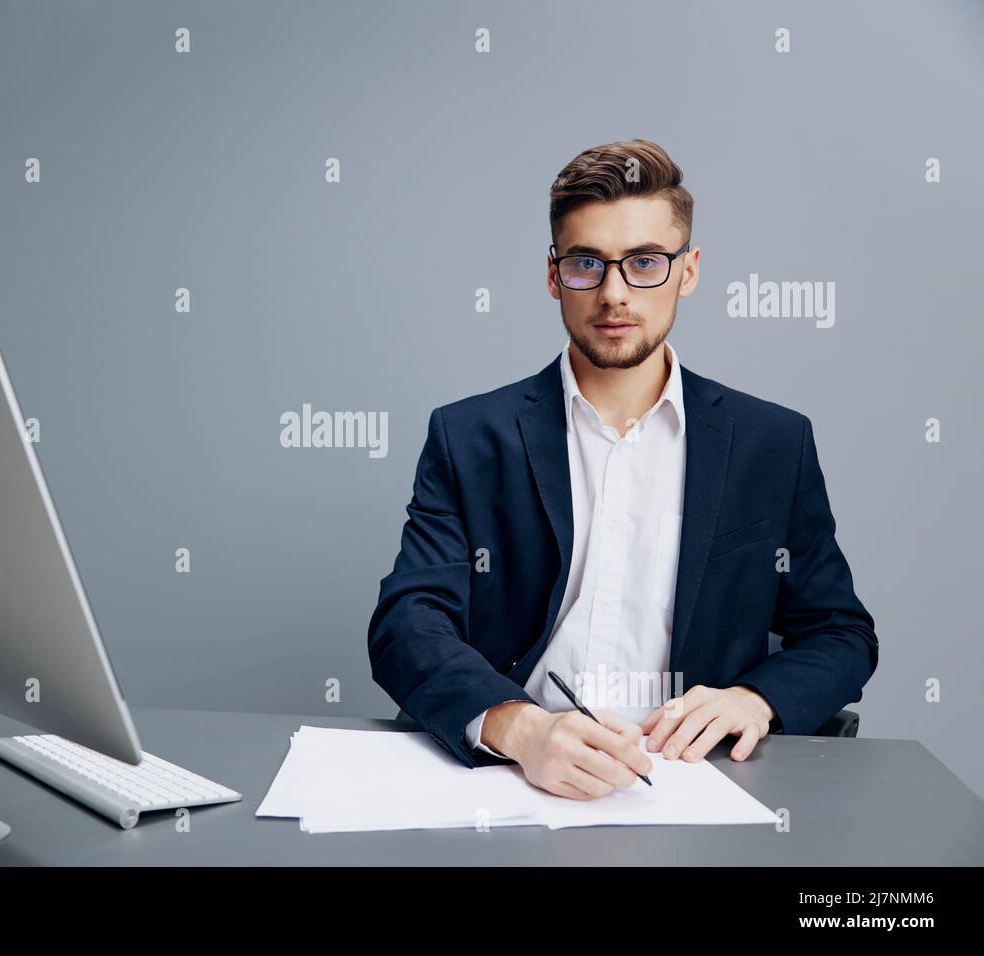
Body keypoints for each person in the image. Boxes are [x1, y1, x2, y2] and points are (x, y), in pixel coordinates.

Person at [367, 139, 878, 801]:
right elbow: (408, 622)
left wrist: (757, 699)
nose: (613, 293)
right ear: (553, 275)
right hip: (512, 780)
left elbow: (840, 633)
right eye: (586, 264)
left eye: (644, 263)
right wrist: (519, 729)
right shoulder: (469, 436)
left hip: (695, 783)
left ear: (688, 271)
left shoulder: (772, 443)